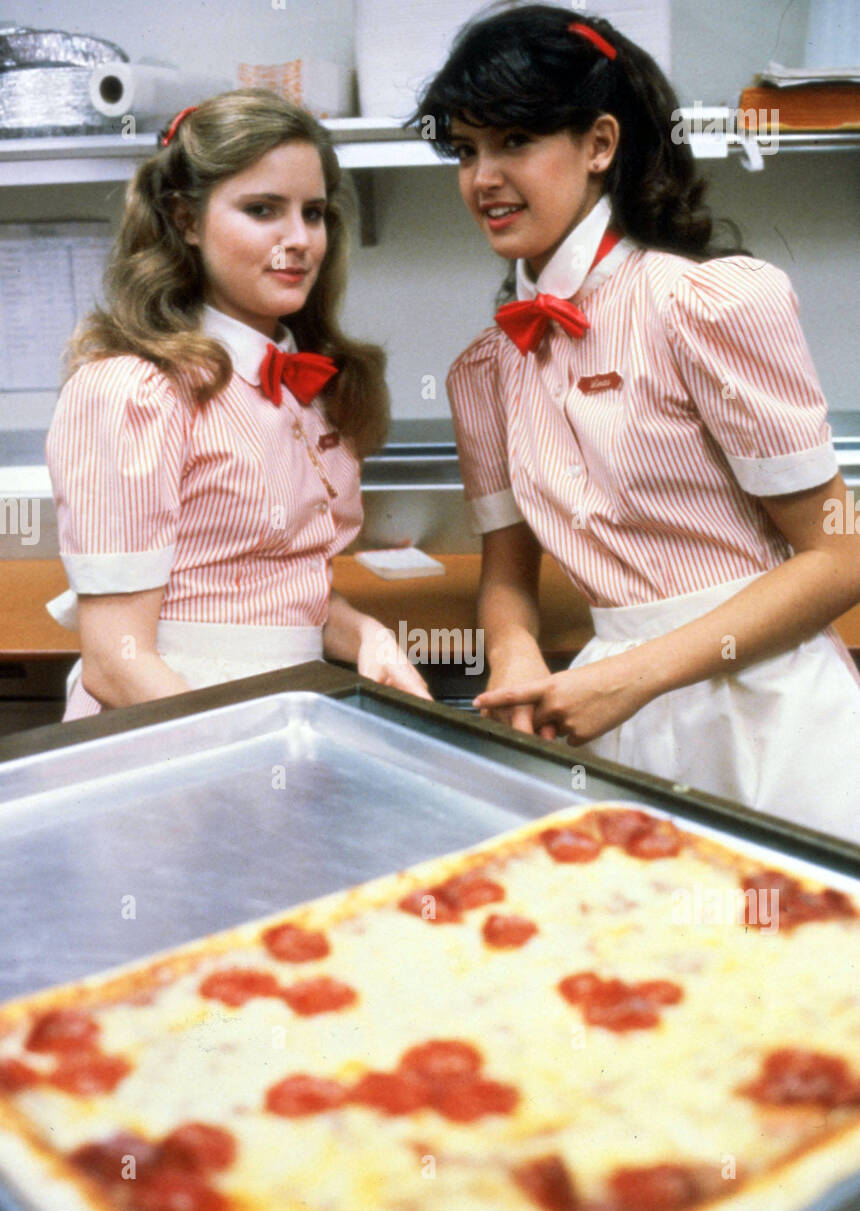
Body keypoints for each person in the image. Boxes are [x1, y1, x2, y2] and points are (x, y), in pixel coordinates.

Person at [415, 6, 860, 839]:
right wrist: (513, 653)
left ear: (600, 145)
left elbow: (841, 558)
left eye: (515, 140)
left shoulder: (706, 303)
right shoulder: (483, 373)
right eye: (467, 149)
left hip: (766, 709)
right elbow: (508, 577)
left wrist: (639, 674)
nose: (483, 177)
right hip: (609, 711)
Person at [46, 89, 429, 719]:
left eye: (314, 213)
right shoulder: (132, 392)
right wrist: (239, 751)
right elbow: (115, 663)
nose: (299, 239)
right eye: (262, 209)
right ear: (187, 220)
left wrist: (367, 636)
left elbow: (270, 589)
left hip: (287, 706)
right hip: (173, 722)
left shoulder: (309, 387)